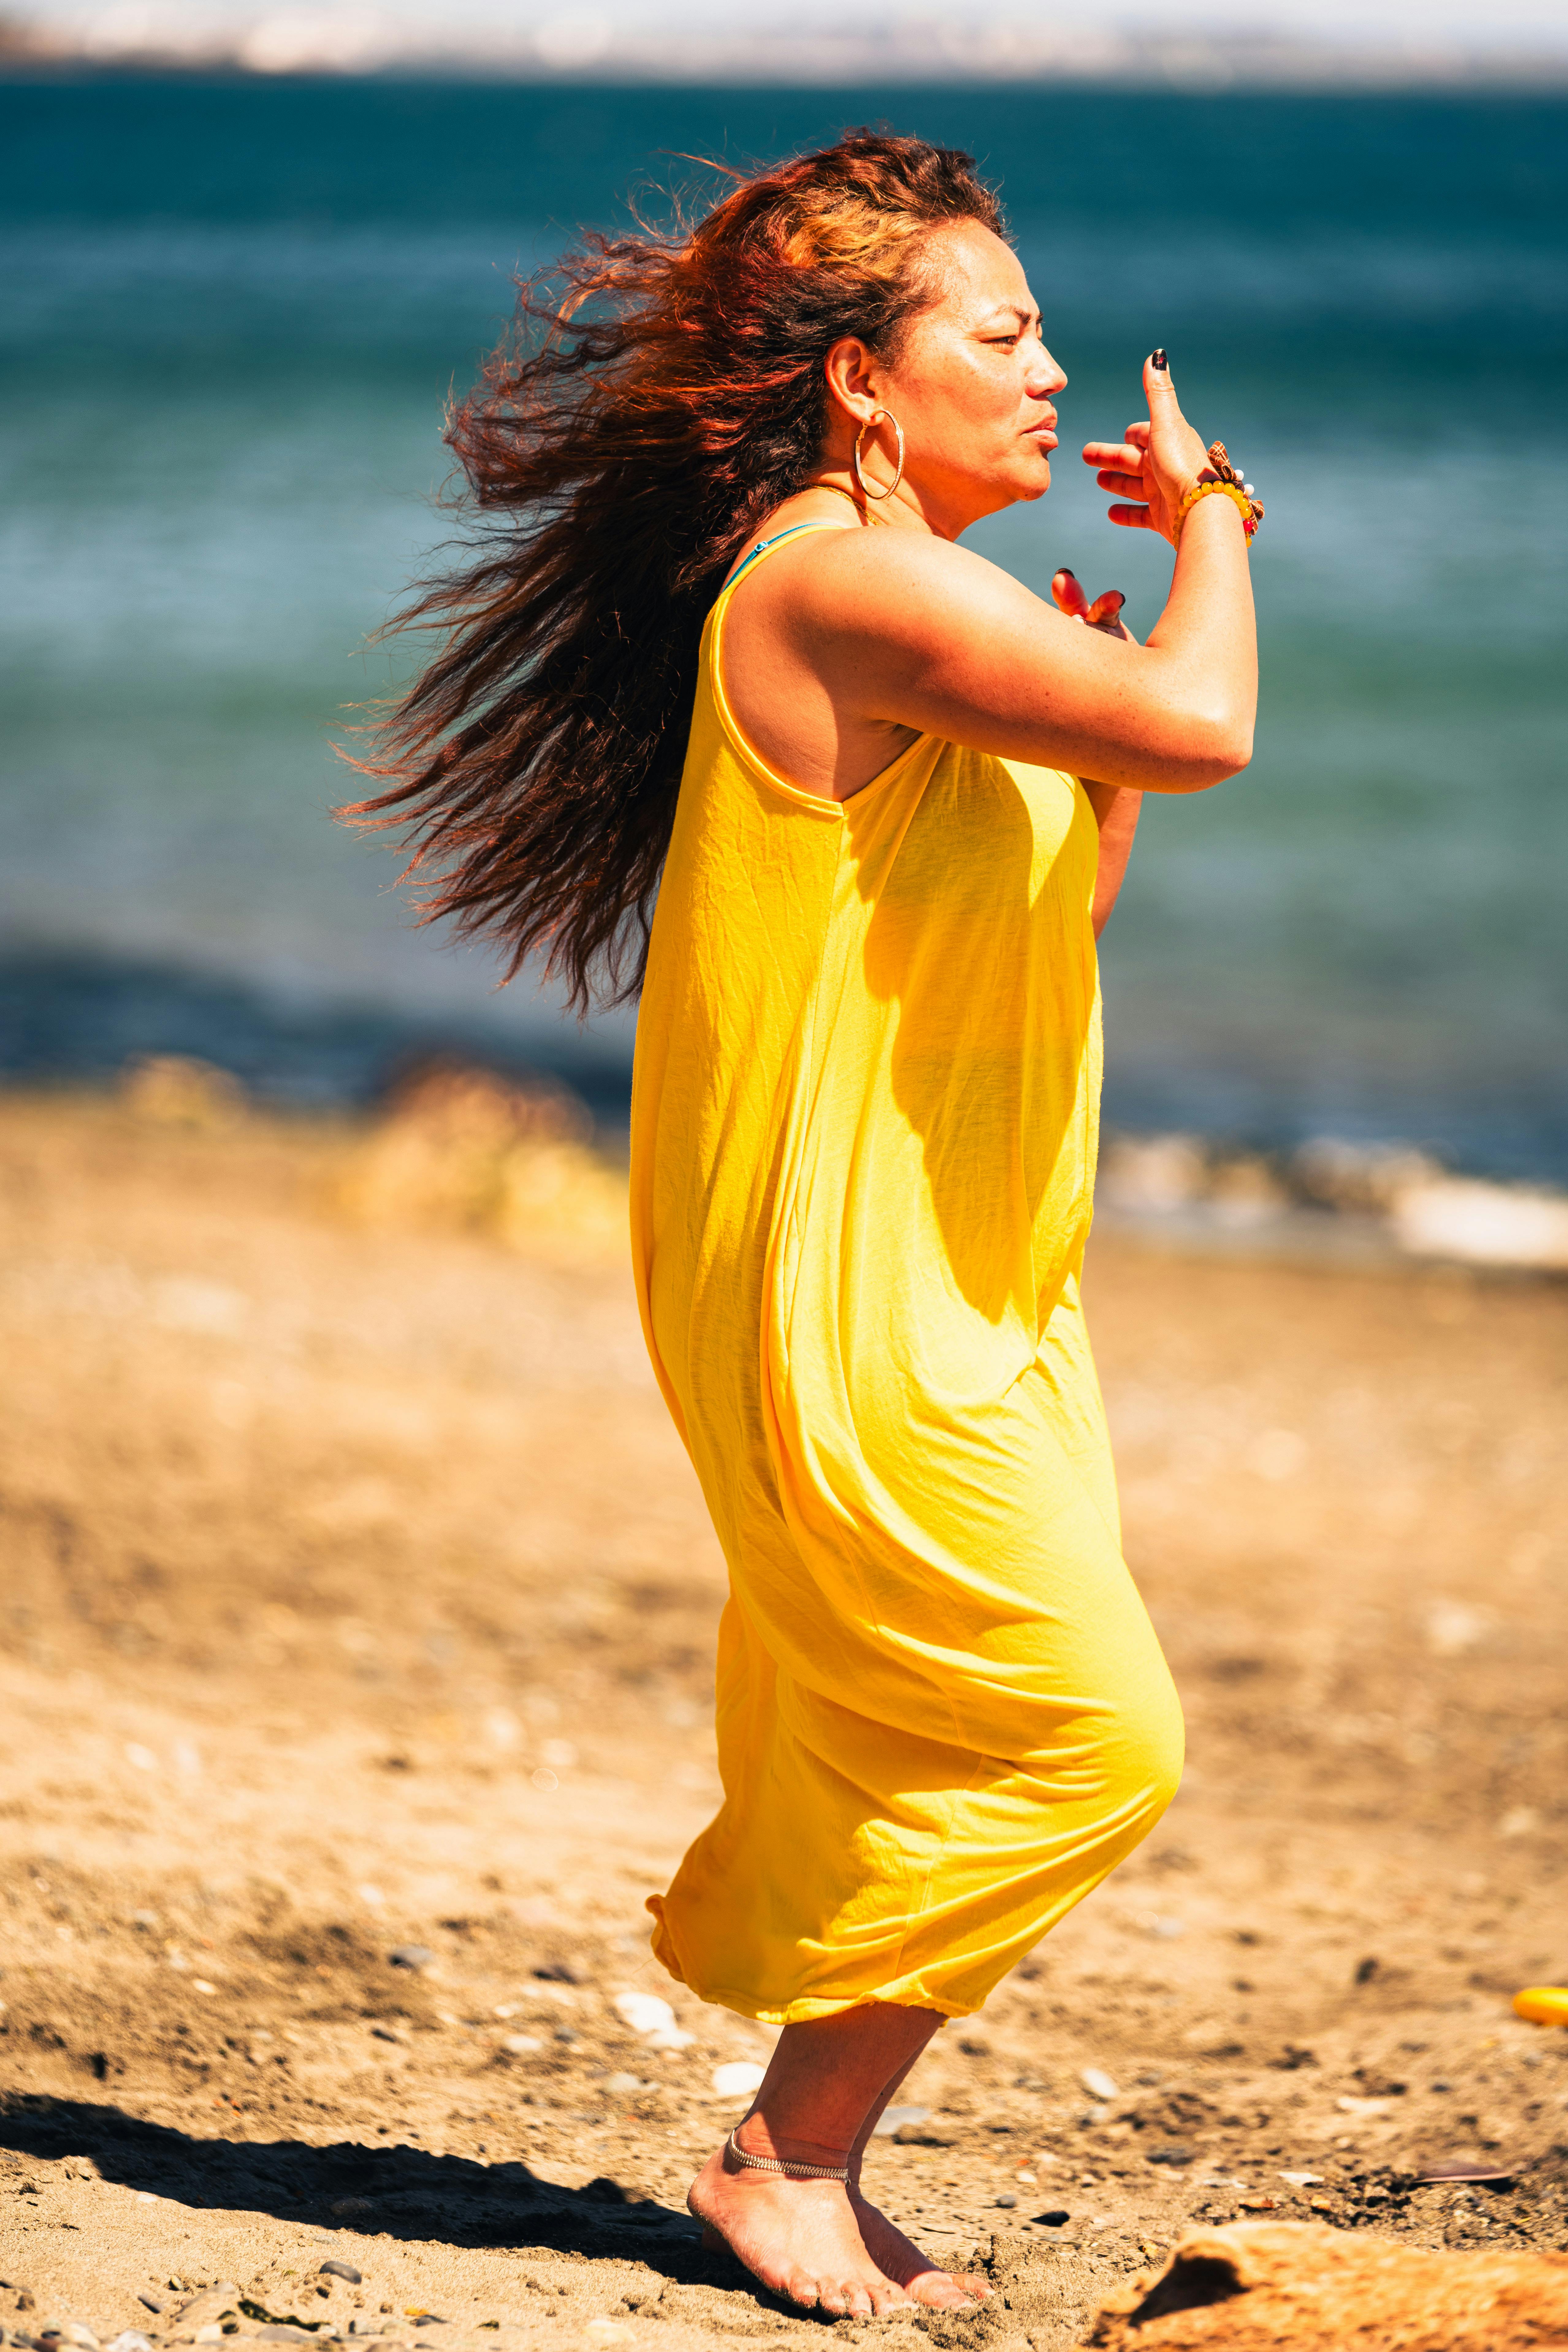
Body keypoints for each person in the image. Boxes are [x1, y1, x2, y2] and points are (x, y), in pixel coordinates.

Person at [345, 129, 1258, 2323]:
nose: (1051, 377)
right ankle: (787, 2149)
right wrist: (1223, 529)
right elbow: (1219, 719)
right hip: (845, 1284)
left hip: (972, 1266)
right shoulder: (834, 577)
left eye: (1044, 336)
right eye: (1003, 334)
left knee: (945, 1717)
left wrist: (1088, 746)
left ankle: (804, 2151)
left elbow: (1078, 901)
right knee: (1094, 1729)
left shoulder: (921, 603)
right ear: (863, 382)